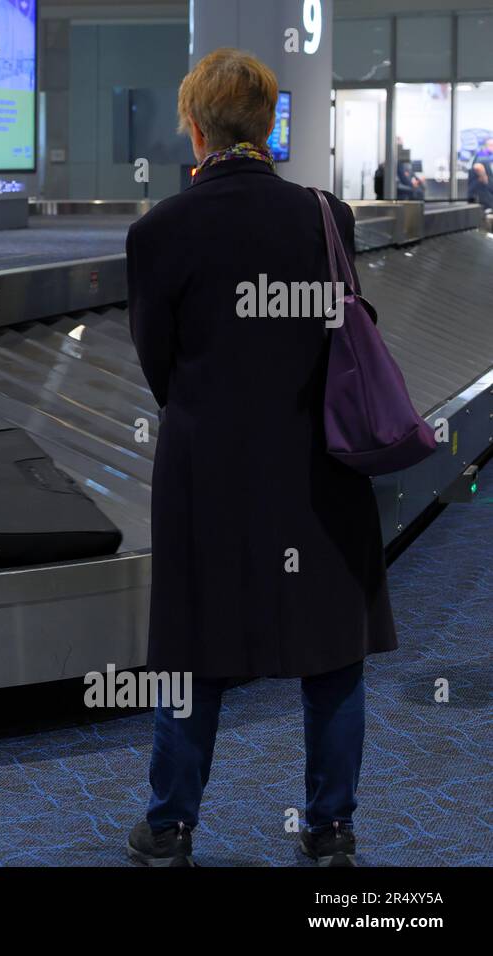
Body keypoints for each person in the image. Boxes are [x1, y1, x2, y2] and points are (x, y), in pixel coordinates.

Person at [123, 48, 396, 868]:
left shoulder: (159, 231)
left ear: (195, 126)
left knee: (193, 652)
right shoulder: (325, 215)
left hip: (208, 471)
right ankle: (330, 830)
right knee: (331, 655)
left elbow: (157, 364)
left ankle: (169, 828)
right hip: (320, 464)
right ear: (271, 123)